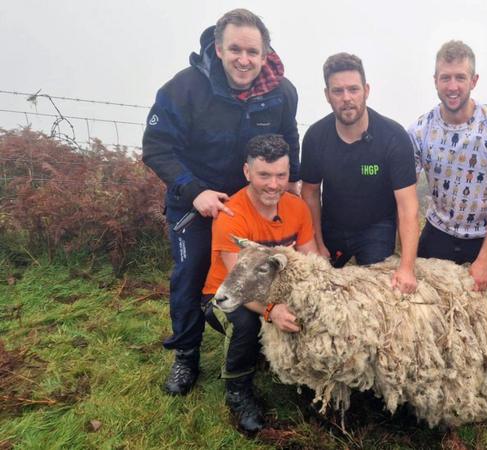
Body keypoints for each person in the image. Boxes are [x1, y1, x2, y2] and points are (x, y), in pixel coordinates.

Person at [142, 8, 300, 397]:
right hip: (195, 197)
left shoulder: (282, 92)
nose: (243, 60)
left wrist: (290, 186)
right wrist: (194, 191)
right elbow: (156, 147)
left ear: (265, 54)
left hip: (251, 202)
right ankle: (186, 355)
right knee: (192, 272)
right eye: (235, 50)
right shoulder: (184, 88)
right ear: (218, 47)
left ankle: (260, 343)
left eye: (252, 52)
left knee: (268, 272)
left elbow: (289, 138)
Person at [202, 134, 316, 433]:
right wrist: (271, 311)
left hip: (276, 289)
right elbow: (240, 285)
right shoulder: (232, 215)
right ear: (247, 171)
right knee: (246, 325)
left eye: (281, 175)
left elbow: (311, 261)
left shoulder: (298, 208)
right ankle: (238, 390)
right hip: (226, 293)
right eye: (264, 175)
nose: (273, 184)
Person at [300, 53, 419, 293]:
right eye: (338, 91)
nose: (347, 98)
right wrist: (318, 243)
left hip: (376, 227)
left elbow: (408, 207)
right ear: (327, 95)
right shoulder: (315, 137)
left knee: (375, 295)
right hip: (332, 225)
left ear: (366, 90)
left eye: (353, 89)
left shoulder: (393, 137)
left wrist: (407, 267)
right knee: (321, 292)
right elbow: (310, 193)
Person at [407, 40, 487, 291]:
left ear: (474, 80)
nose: (453, 86)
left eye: (460, 77)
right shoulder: (419, 131)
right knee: (430, 312)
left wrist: (484, 259)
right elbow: (407, 197)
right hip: (439, 233)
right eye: (445, 78)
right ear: (435, 80)